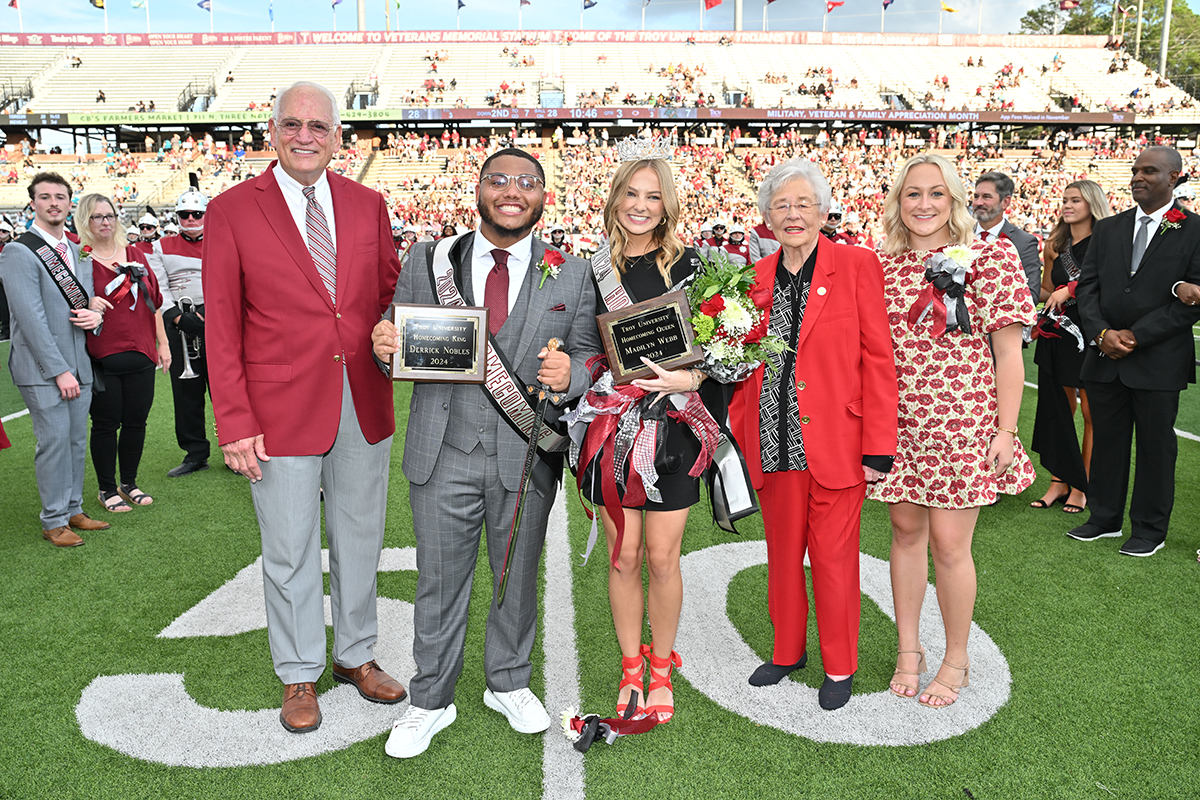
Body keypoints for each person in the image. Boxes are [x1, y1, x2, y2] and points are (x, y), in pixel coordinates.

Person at [372, 148, 601, 758]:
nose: (511, 192)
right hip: (441, 449)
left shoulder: (573, 273)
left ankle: (508, 681)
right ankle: (430, 698)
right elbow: (393, 335)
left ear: (543, 198)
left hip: (524, 452)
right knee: (439, 582)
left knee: (516, 578)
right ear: (477, 189)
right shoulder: (428, 258)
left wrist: (571, 372)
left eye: (526, 183)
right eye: (498, 180)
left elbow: (591, 355)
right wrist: (381, 341)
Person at [204, 80, 406, 734]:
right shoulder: (231, 210)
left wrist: (396, 331)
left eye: (319, 126)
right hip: (277, 411)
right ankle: (298, 672)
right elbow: (222, 328)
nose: (305, 136)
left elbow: (386, 297)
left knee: (359, 539)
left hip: (362, 402)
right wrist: (234, 421)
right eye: (292, 123)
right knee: (288, 549)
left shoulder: (369, 203)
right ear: (272, 131)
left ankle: (354, 655)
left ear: (338, 137)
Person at [727, 158, 897, 711]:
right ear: (766, 219)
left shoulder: (855, 265)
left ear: (824, 211)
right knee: (781, 553)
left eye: (803, 204)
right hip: (772, 439)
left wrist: (878, 443)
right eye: (781, 205)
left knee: (832, 557)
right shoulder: (752, 280)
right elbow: (738, 360)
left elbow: (878, 358)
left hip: (839, 444)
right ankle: (786, 650)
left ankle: (839, 664)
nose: (793, 214)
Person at [869, 154, 1036, 707]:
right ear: (897, 202)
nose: (923, 204)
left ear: (956, 200)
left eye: (936, 194)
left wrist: (1006, 431)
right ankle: (908, 651)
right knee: (905, 534)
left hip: (963, 422)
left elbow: (1009, 355)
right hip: (898, 423)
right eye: (912, 193)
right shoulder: (881, 263)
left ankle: (956, 658)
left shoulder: (992, 254)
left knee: (949, 545)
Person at [569, 150, 712, 723]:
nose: (641, 206)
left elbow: (723, 350)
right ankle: (632, 667)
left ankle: (660, 666)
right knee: (623, 556)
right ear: (615, 198)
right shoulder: (591, 267)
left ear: (667, 204)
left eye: (653, 196)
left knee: (661, 555)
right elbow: (583, 346)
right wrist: (589, 373)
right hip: (615, 430)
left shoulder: (691, 265)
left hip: (672, 427)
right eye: (632, 193)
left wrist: (692, 376)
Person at [1070, 146, 1200, 557]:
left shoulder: (1195, 230)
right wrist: (1102, 333)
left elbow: (1192, 299)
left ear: (1175, 177)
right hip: (1105, 355)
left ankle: (1149, 529)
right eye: (1135, 170)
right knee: (1108, 439)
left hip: (1158, 360)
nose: (1138, 177)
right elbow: (1087, 288)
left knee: (1156, 447)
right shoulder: (1108, 229)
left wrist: (1137, 336)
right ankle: (1104, 517)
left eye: (1150, 171)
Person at [0, 172, 111, 546]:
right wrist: (60, 371)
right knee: (54, 441)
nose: (54, 203)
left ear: (68, 202)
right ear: (32, 203)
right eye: (45, 196)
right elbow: (30, 320)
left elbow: (89, 301)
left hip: (79, 361)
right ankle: (53, 520)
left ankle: (73, 508)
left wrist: (96, 317)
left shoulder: (77, 248)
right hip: (43, 369)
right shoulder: (19, 251)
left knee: (76, 440)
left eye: (60, 197)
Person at [77, 193, 170, 512]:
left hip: (142, 353)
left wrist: (164, 344)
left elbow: (154, 303)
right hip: (102, 356)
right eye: (96, 217)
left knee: (136, 422)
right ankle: (106, 488)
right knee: (105, 423)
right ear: (85, 220)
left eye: (109, 216)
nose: (104, 222)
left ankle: (128, 482)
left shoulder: (135, 254)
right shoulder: (80, 258)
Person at [1029, 180, 1111, 515]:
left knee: (1092, 414)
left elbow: (1111, 285)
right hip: (1059, 335)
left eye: (1075, 200)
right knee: (1060, 412)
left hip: (1091, 335)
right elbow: (1048, 290)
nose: (1067, 205)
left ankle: (1083, 484)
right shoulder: (1055, 243)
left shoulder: (1106, 241)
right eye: (1065, 200)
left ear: (1091, 204)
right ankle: (1058, 481)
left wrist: (1072, 289)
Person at [147, 187, 212, 478]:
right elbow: (158, 285)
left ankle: (237, 450)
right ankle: (195, 454)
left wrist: (207, 313)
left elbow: (231, 279)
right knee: (186, 393)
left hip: (217, 320)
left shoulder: (221, 240)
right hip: (179, 324)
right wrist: (175, 316)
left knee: (226, 390)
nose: (189, 219)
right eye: (183, 215)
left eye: (196, 214)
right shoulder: (161, 246)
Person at [972, 171, 1043, 302]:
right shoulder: (958, 237)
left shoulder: (1023, 242)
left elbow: (1031, 295)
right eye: (976, 196)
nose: (978, 202)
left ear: (1005, 202)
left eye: (986, 197)